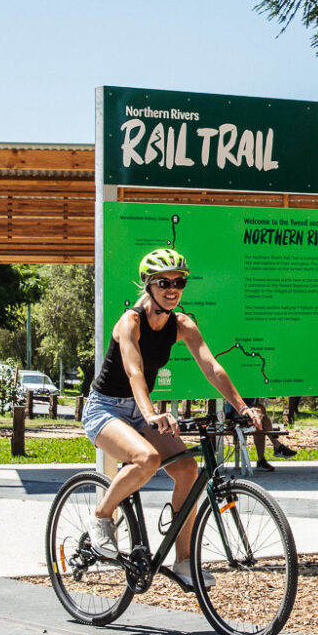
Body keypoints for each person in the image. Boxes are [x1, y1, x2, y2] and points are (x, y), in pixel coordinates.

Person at [79, 247, 264, 589]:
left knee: (188, 471)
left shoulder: (181, 324)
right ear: (148, 284)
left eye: (179, 281)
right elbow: (134, 372)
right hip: (105, 408)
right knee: (146, 458)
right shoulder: (130, 322)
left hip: (140, 411)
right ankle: (102, 516)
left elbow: (211, 366)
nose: (173, 288)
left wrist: (241, 407)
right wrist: (150, 414)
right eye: (164, 281)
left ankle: (183, 562)